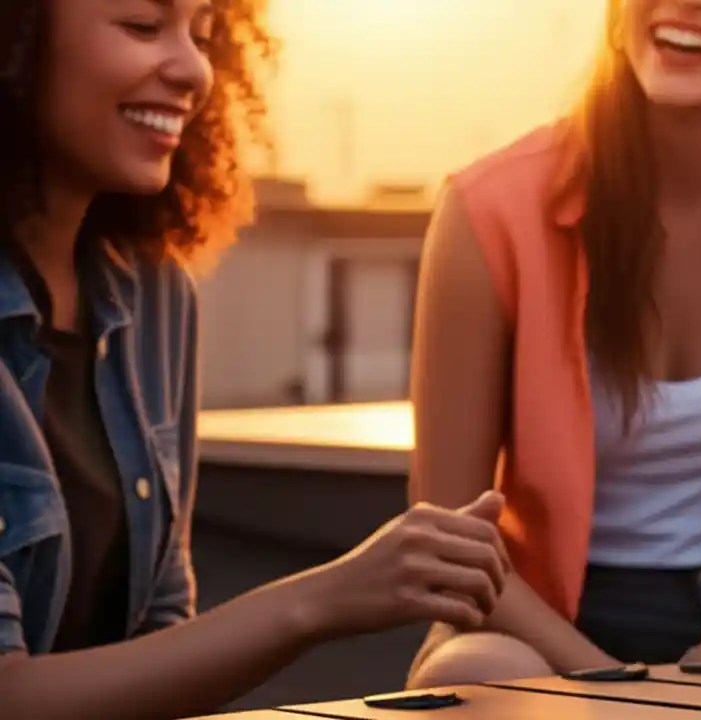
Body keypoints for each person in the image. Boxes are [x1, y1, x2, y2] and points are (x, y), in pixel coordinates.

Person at [0, 2, 509, 719]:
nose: (192, 69)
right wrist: (322, 598)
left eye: (203, 36)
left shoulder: (153, 293)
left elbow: (161, 626)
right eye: (143, 27)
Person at [406, 0, 701, 688]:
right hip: (529, 626)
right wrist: (603, 679)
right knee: (481, 675)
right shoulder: (489, 208)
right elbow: (448, 529)